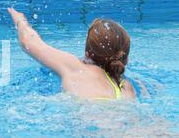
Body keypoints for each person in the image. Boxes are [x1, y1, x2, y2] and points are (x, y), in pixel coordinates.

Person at [8, 8, 137, 101]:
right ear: (125, 59)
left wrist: (20, 20)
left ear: (87, 53)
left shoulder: (75, 67)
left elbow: (29, 42)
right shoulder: (126, 87)